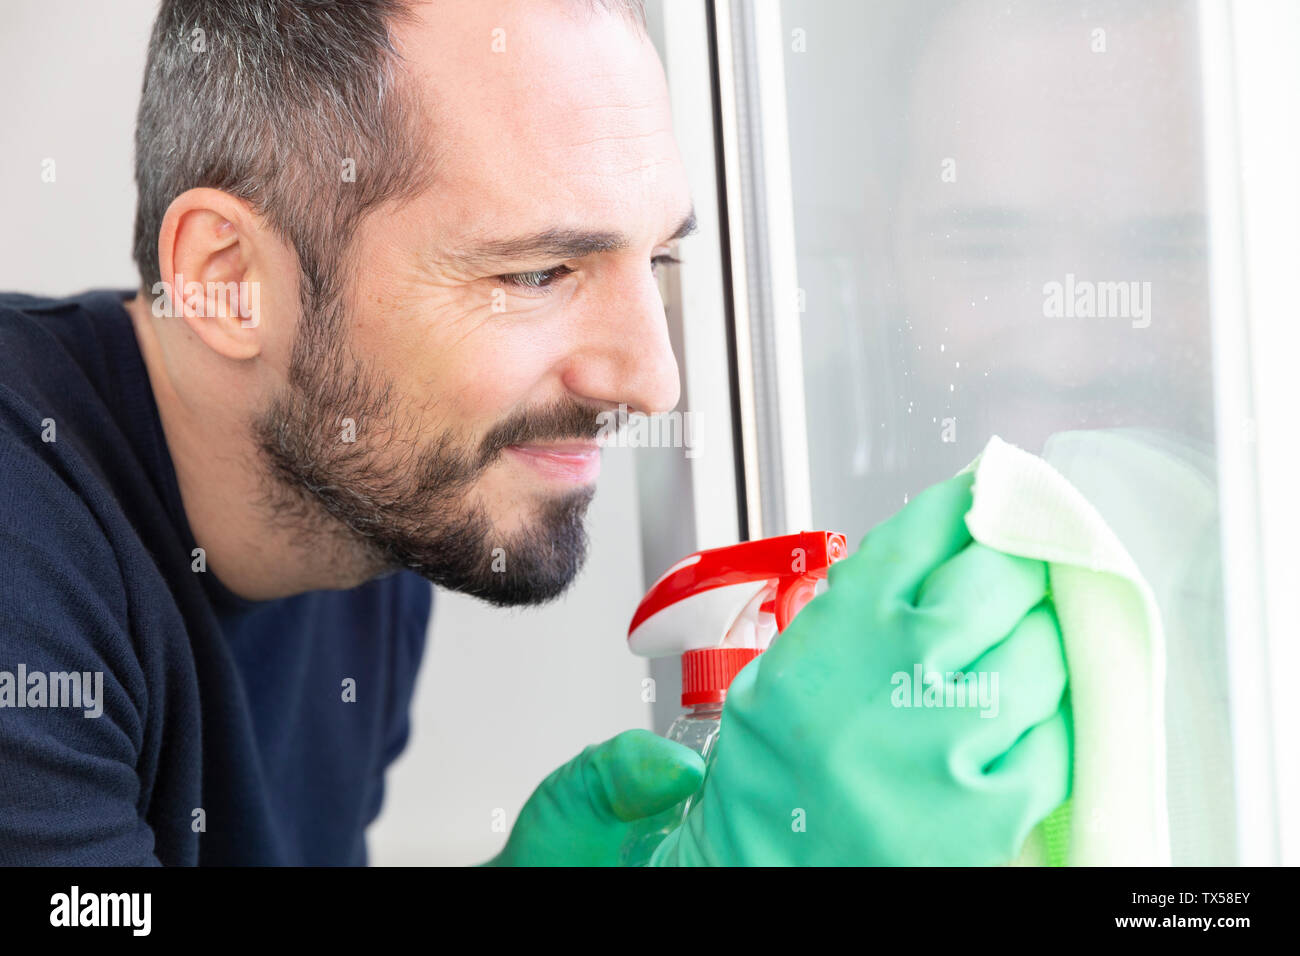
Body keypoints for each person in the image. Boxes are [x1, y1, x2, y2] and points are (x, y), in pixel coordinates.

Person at [0, 0, 1069, 866]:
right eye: (537, 272)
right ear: (230, 283)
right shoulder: (21, 558)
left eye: (654, 261)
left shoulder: (361, 502)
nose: (651, 380)